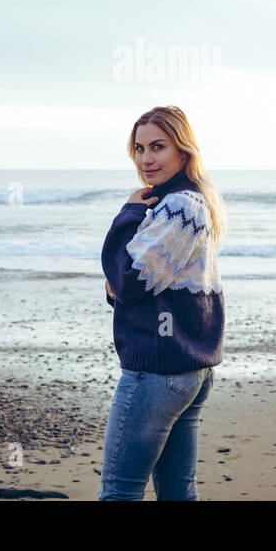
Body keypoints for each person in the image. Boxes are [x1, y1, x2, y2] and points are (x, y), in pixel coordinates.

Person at [98, 105, 228, 500]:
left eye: (158, 146)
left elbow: (128, 282)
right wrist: (119, 283)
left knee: (119, 492)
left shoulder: (178, 206)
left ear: (182, 150)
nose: (146, 159)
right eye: (138, 148)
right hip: (189, 368)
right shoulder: (187, 202)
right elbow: (133, 282)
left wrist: (129, 212)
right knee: (176, 492)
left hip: (158, 370)